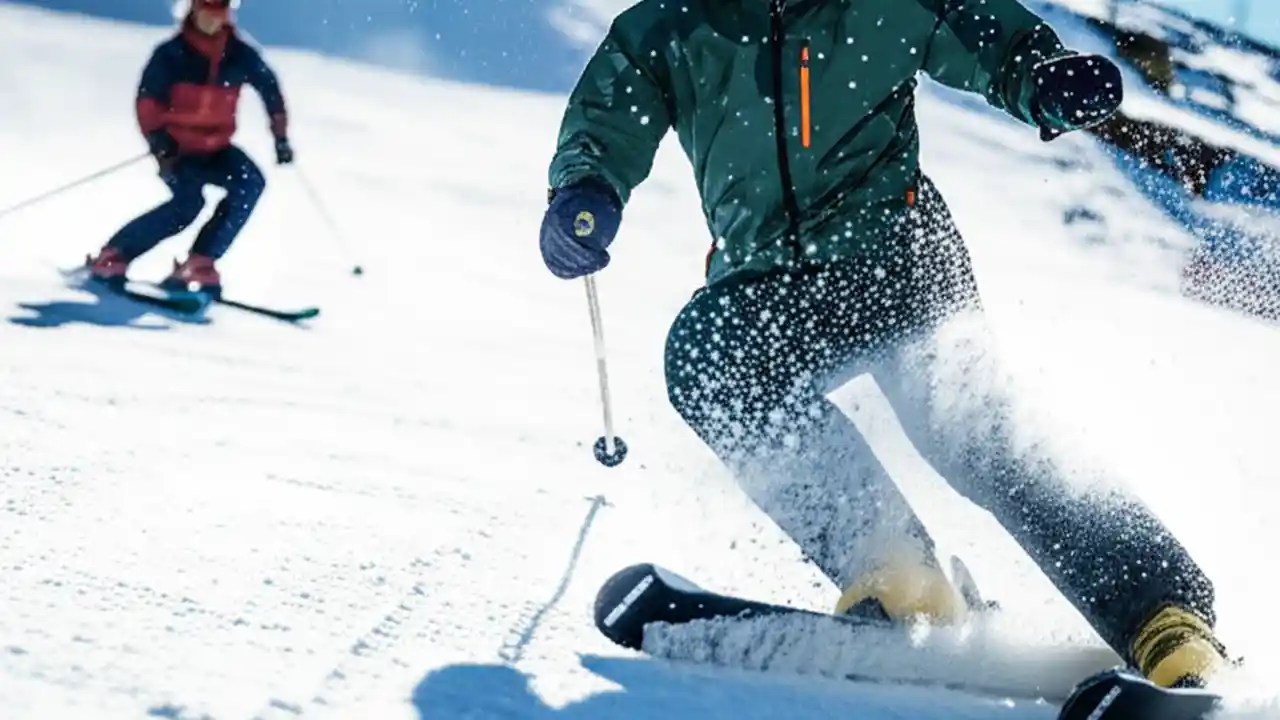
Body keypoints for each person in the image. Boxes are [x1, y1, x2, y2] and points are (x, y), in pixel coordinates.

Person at [539, 0, 1229, 690]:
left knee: (965, 425)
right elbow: (606, 117)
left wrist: (1045, 76)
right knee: (709, 354)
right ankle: (896, 574)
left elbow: (986, 33)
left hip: (899, 264)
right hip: (768, 284)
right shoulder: (672, 25)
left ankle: (1162, 616)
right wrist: (584, 190)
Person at [86, 0, 294, 297]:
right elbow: (148, 101)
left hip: (217, 149)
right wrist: (158, 139)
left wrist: (280, 137)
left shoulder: (239, 55)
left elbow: (270, 91)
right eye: (206, 6)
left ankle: (199, 263)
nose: (212, 14)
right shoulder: (172, 54)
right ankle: (114, 255)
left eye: (220, 7)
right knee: (188, 204)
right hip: (179, 151)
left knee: (250, 183)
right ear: (192, 8)